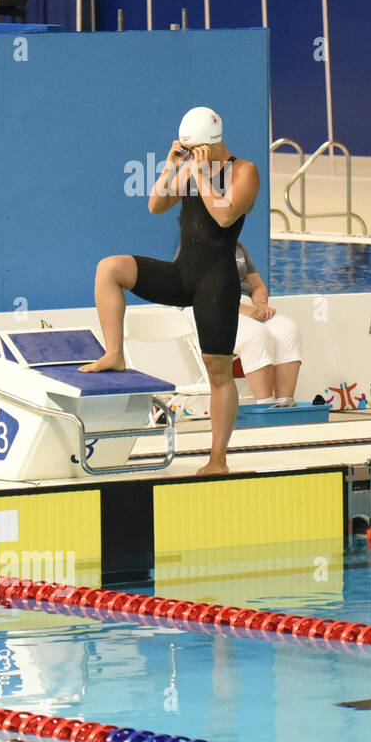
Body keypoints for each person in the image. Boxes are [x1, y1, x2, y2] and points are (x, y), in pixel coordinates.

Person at [80, 106, 259, 475]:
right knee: (109, 268)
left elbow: (224, 215)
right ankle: (115, 353)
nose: (193, 157)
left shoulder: (245, 171)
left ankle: (217, 460)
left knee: (219, 373)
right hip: (182, 275)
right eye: (189, 151)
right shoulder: (191, 166)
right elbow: (156, 204)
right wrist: (170, 165)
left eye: (196, 151)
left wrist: (202, 174)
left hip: (216, 282)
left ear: (214, 143)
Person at [230, 241, 303, 405]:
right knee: (256, 334)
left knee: (288, 329)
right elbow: (201, 292)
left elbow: (257, 286)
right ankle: (266, 406)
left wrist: (261, 305)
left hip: (246, 305)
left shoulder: (238, 247)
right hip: (214, 309)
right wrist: (243, 309)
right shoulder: (197, 245)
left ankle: (284, 404)